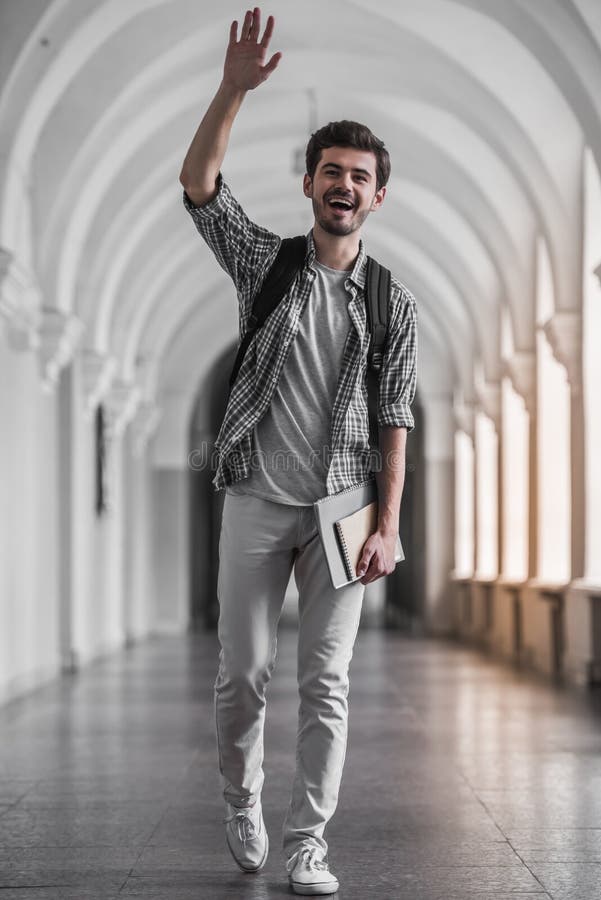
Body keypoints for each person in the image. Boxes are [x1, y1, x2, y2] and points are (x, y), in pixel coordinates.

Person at [179, 7, 417, 895]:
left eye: (359, 176)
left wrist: (387, 525)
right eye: (331, 173)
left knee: (327, 684)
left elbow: (394, 418)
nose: (344, 186)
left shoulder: (393, 303)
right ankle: (241, 798)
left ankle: (306, 842)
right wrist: (231, 90)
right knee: (243, 673)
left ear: (376, 196)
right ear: (310, 185)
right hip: (254, 498)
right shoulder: (267, 268)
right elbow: (200, 185)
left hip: (343, 510)